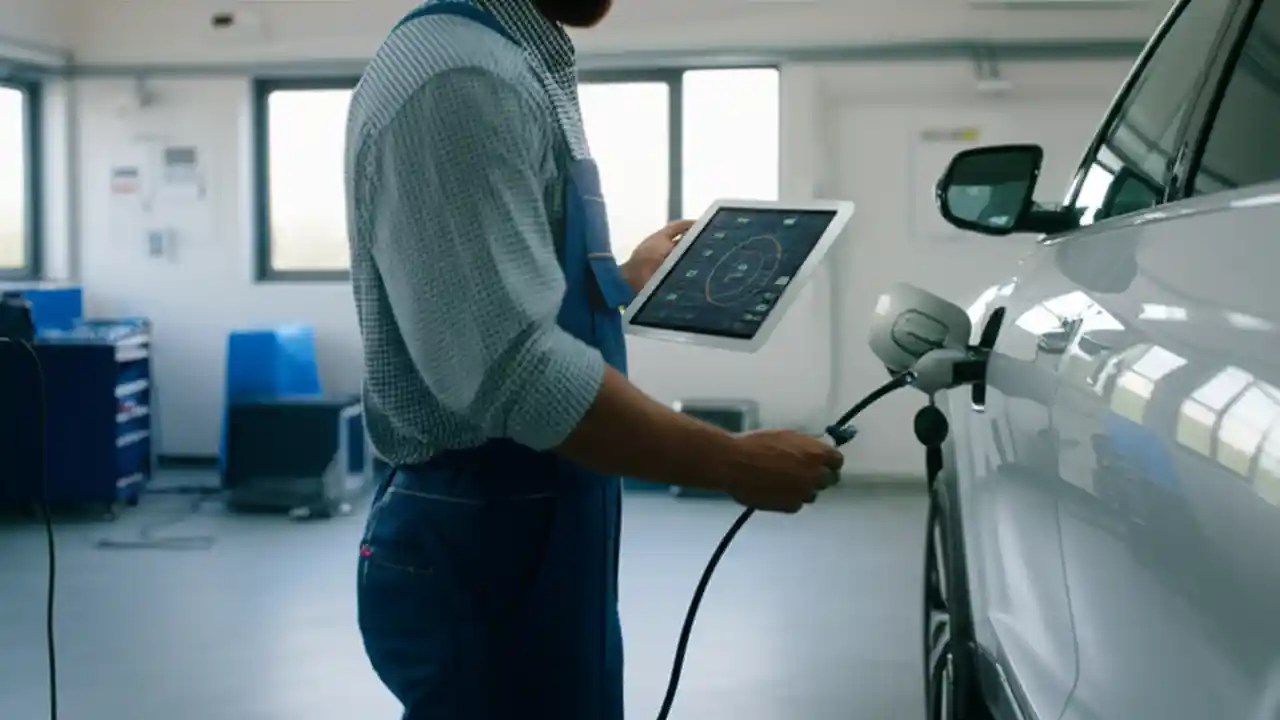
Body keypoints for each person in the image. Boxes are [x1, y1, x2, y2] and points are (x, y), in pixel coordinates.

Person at [344, 1, 845, 717]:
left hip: (541, 508)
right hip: (484, 528)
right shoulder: (460, 80)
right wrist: (729, 462)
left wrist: (620, 281)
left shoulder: (509, 58)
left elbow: (506, 298)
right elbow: (513, 368)